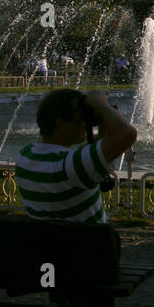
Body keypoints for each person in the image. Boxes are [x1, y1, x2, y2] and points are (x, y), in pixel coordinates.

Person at [15, 89, 137, 226]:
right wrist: (100, 103)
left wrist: (103, 128)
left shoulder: (24, 156)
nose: (85, 123)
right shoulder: (71, 168)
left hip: (48, 244)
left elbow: (87, 153)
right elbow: (127, 134)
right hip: (89, 244)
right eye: (81, 116)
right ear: (61, 123)